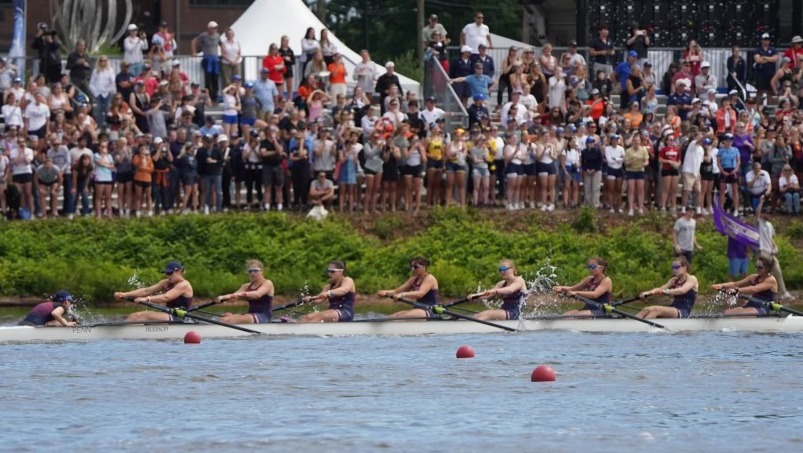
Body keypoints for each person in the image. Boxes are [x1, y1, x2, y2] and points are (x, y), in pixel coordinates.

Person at [114, 261, 194, 322]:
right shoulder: (165, 282)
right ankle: (122, 333)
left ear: (178, 271)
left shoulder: (184, 285)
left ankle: (126, 336)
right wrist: (124, 294)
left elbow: (166, 297)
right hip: (168, 314)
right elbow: (146, 291)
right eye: (166, 273)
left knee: (141, 316)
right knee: (134, 316)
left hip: (180, 317)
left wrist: (146, 299)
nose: (167, 276)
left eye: (170, 273)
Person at [755, 196, 793, 300]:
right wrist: (761, 203)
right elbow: (757, 214)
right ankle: (760, 293)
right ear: (763, 214)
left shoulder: (770, 225)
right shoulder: (759, 223)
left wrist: (775, 246)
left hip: (771, 252)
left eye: (769, 213)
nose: (769, 215)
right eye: (767, 213)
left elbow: (771, 238)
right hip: (762, 251)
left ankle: (784, 292)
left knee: (777, 272)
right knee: (763, 273)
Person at [712, 256, 778, 315]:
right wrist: (721, 285)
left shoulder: (771, 280)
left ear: (768, 269)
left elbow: (755, 289)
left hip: (764, 309)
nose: (757, 269)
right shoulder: (753, 277)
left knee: (737, 315)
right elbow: (735, 284)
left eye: (760, 267)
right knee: (726, 313)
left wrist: (736, 290)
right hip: (750, 305)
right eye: (756, 266)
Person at [215, 259, 274, 324]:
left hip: (263, 317)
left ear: (262, 271)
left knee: (231, 320)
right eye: (250, 271)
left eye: (255, 270)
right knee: (224, 318)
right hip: (250, 315)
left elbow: (258, 294)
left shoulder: (267, 283)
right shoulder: (246, 286)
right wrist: (223, 297)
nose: (252, 273)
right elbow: (233, 297)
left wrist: (242, 294)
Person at [191, 21, 221, 103]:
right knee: (208, 79)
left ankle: (215, 96)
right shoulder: (203, 35)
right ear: (209, 29)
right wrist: (194, 52)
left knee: (215, 78)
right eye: (213, 28)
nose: (215, 30)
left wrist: (223, 53)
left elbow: (222, 44)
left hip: (215, 59)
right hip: (207, 59)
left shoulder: (218, 36)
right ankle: (209, 96)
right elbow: (194, 41)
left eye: (216, 28)